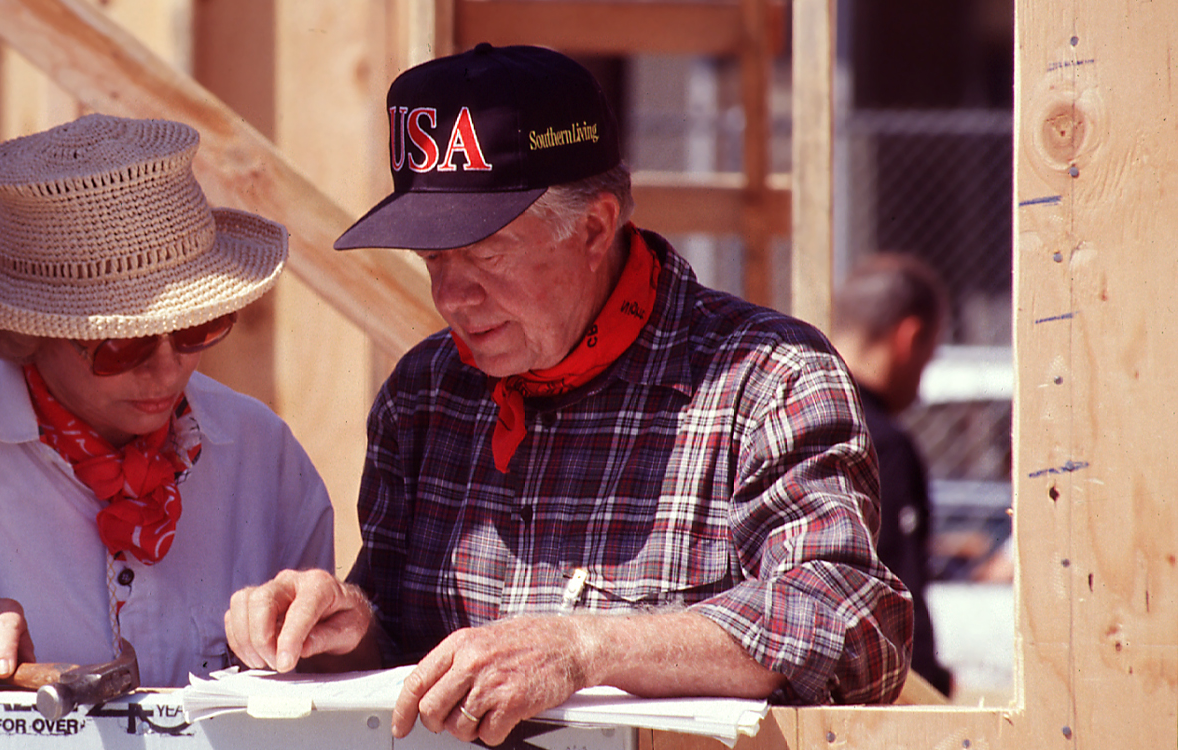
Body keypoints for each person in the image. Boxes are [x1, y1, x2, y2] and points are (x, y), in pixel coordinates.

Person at [226, 43, 912, 745]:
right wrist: (341, 633)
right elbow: (399, 649)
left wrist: (585, 649)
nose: (451, 296)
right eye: (432, 258)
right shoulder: (425, 393)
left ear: (593, 227)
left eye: (485, 254)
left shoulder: (769, 379)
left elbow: (851, 630)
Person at [0, 114, 334, 692]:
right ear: (32, 334)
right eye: (122, 346)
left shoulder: (262, 452)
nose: (168, 369)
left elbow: (333, 688)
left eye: (196, 329)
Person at [831, 253, 955, 697]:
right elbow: (898, 599)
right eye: (928, 355)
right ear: (909, 336)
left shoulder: (787, 417)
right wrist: (934, 693)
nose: (921, 381)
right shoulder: (881, 442)